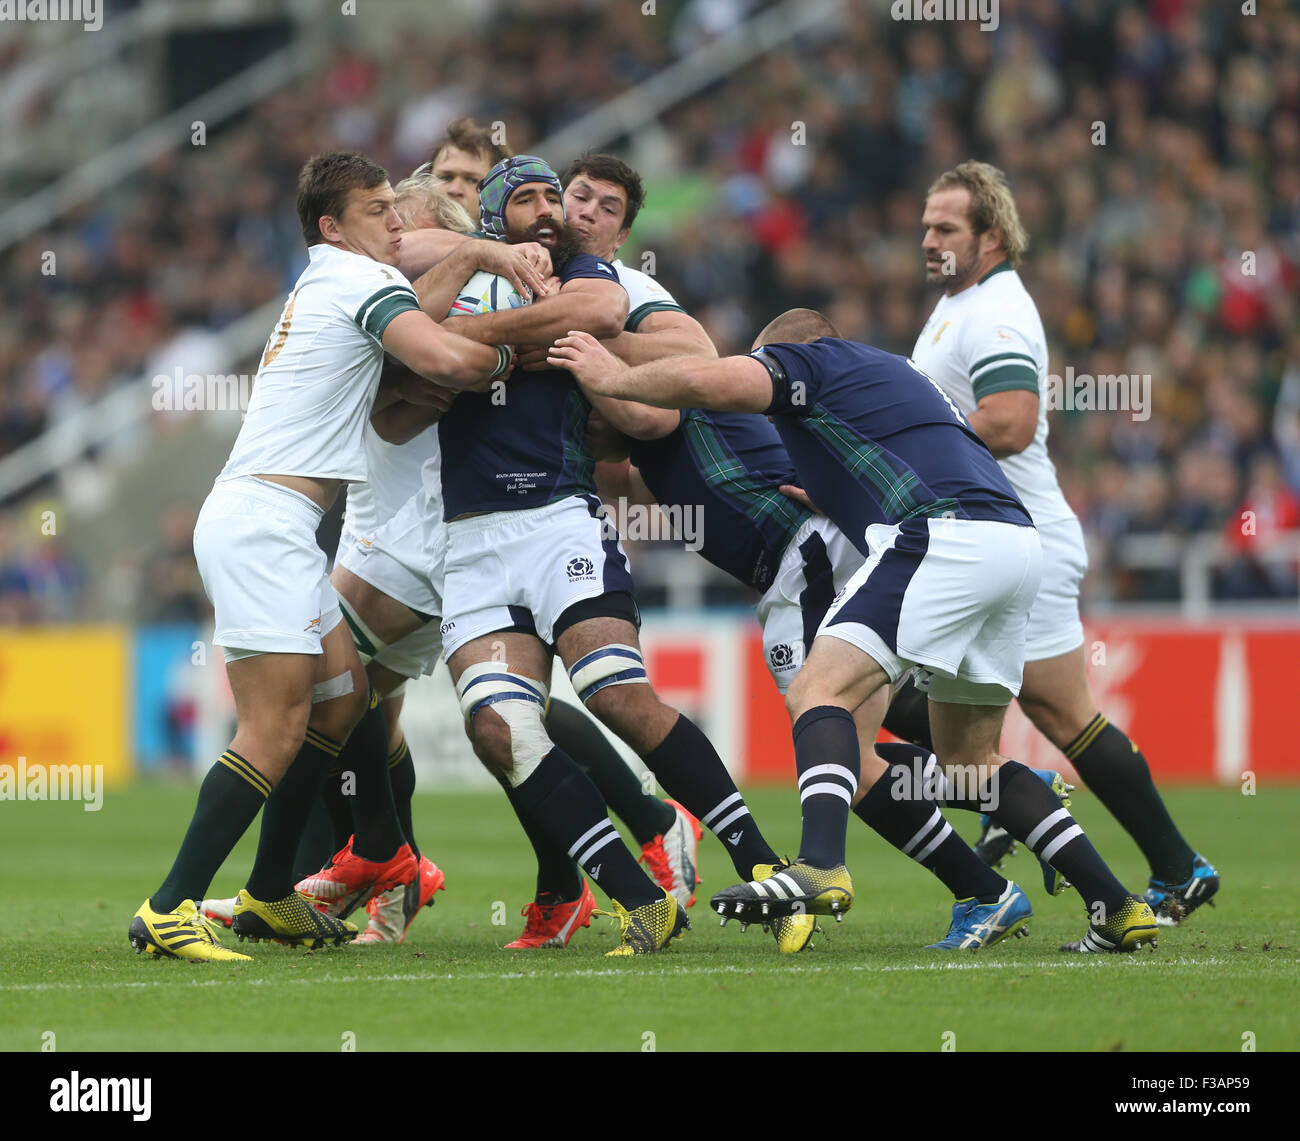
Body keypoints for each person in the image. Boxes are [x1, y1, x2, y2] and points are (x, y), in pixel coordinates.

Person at [550, 309, 1162, 954]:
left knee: (819, 697)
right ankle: (1115, 905)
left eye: (768, 365)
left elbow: (710, 381)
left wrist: (611, 373)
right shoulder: (900, 375)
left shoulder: (814, 361)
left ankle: (820, 864)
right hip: (1012, 544)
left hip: (939, 536)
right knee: (969, 765)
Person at [128, 152, 510, 962]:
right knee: (272, 729)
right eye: (379, 209)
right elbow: (438, 357)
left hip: (282, 527)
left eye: (395, 208)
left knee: (344, 701)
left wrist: (473, 257)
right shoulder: (352, 280)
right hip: (263, 527)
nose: (398, 220)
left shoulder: (338, 281)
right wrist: (519, 360)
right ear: (333, 226)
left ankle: (270, 894)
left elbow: (414, 319)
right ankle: (170, 906)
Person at [432, 154, 787, 955]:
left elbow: (598, 311)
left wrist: (473, 346)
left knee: (613, 693)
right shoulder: (456, 269)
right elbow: (409, 359)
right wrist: (476, 325)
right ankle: (641, 901)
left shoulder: (582, 274)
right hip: (468, 537)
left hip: (559, 517)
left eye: (565, 198)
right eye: (531, 199)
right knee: (500, 730)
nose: (555, 210)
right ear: (493, 216)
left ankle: (764, 862)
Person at [893, 161, 1217, 925]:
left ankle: (1035, 816)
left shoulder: (996, 310)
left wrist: (902, 447)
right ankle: (1152, 857)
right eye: (925, 227)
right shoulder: (958, 305)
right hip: (991, 537)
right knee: (1040, 711)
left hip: (1016, 538)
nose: (929, 240)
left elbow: (1008, 421)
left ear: (992, 236)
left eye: (945, 228)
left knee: (879, 680)